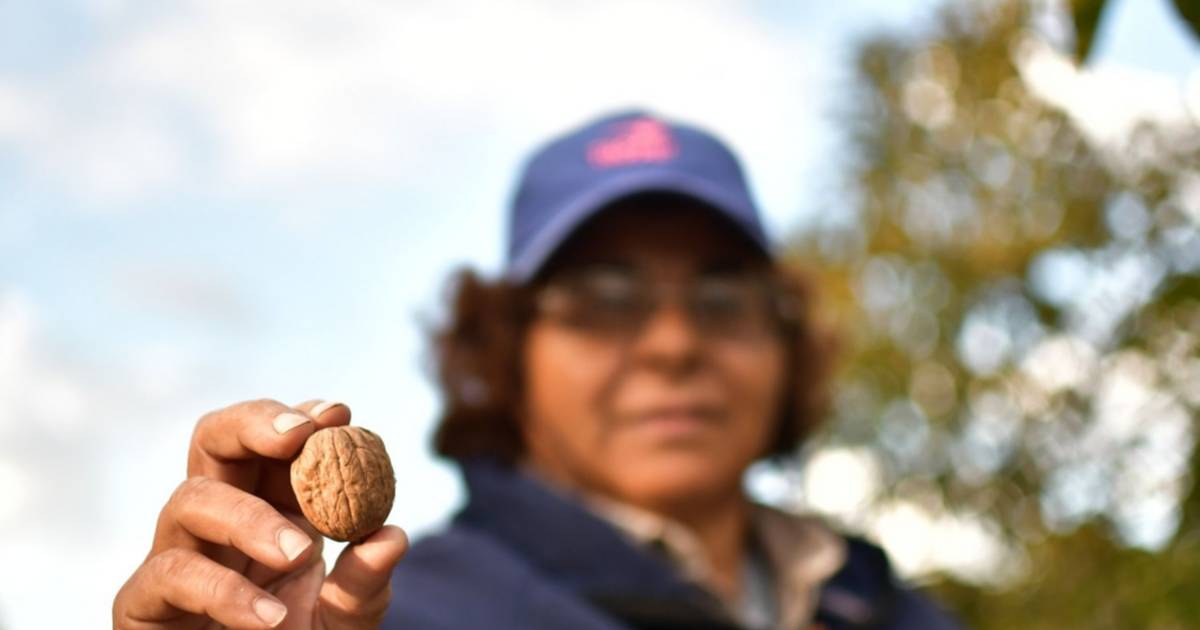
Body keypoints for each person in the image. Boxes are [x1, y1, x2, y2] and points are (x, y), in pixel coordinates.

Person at [113, 111, 960, 630]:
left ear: (784, 344)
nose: (673, 345)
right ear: (508, 355)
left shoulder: (897, 610)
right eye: (603, 301)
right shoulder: (398, 616)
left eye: (722, 299)